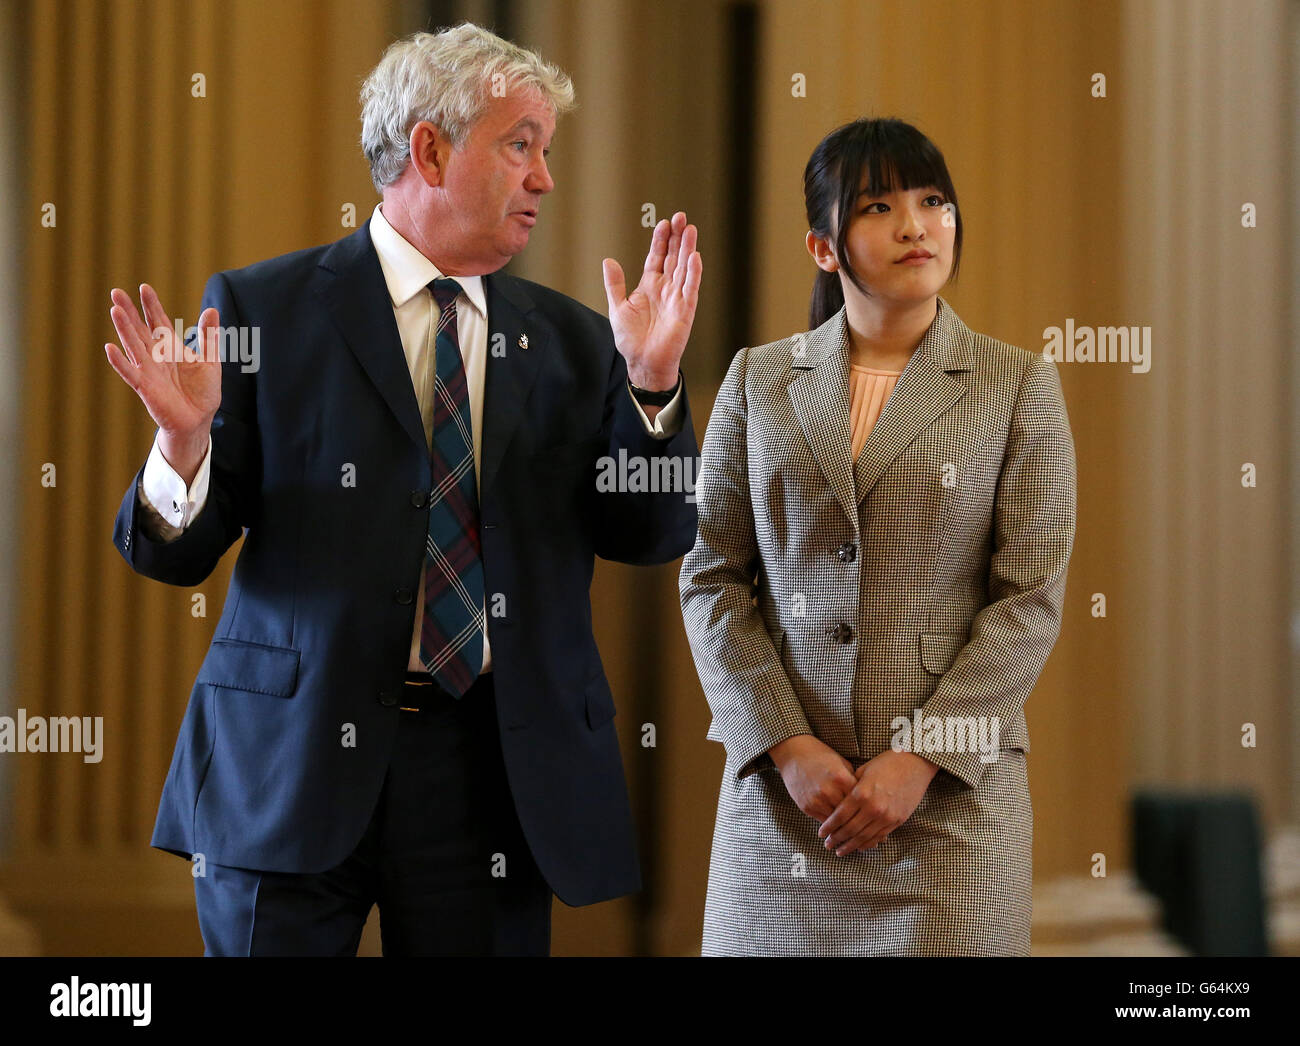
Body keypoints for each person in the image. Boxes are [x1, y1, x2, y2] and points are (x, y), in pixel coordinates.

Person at [104, 22, 702, 956]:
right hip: (290, 766)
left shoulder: (585, 343)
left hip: (495, 774)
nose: (545, 177)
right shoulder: (265, 310)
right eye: (520, 145)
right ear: (429, 148)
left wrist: (654, 388)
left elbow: (651, 531)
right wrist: (183, 444)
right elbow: (173, 554)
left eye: (546, 149)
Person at [679, 117, 1076, 955]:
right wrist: (785, 745)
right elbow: (712, 577)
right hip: (788, 811)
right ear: (824, 248)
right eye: (879, 206)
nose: (916, 225)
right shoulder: (759, 379)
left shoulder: (1018, 384)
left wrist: (919, 758)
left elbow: (1028, 600)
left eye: (935, 202)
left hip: (947, 813)